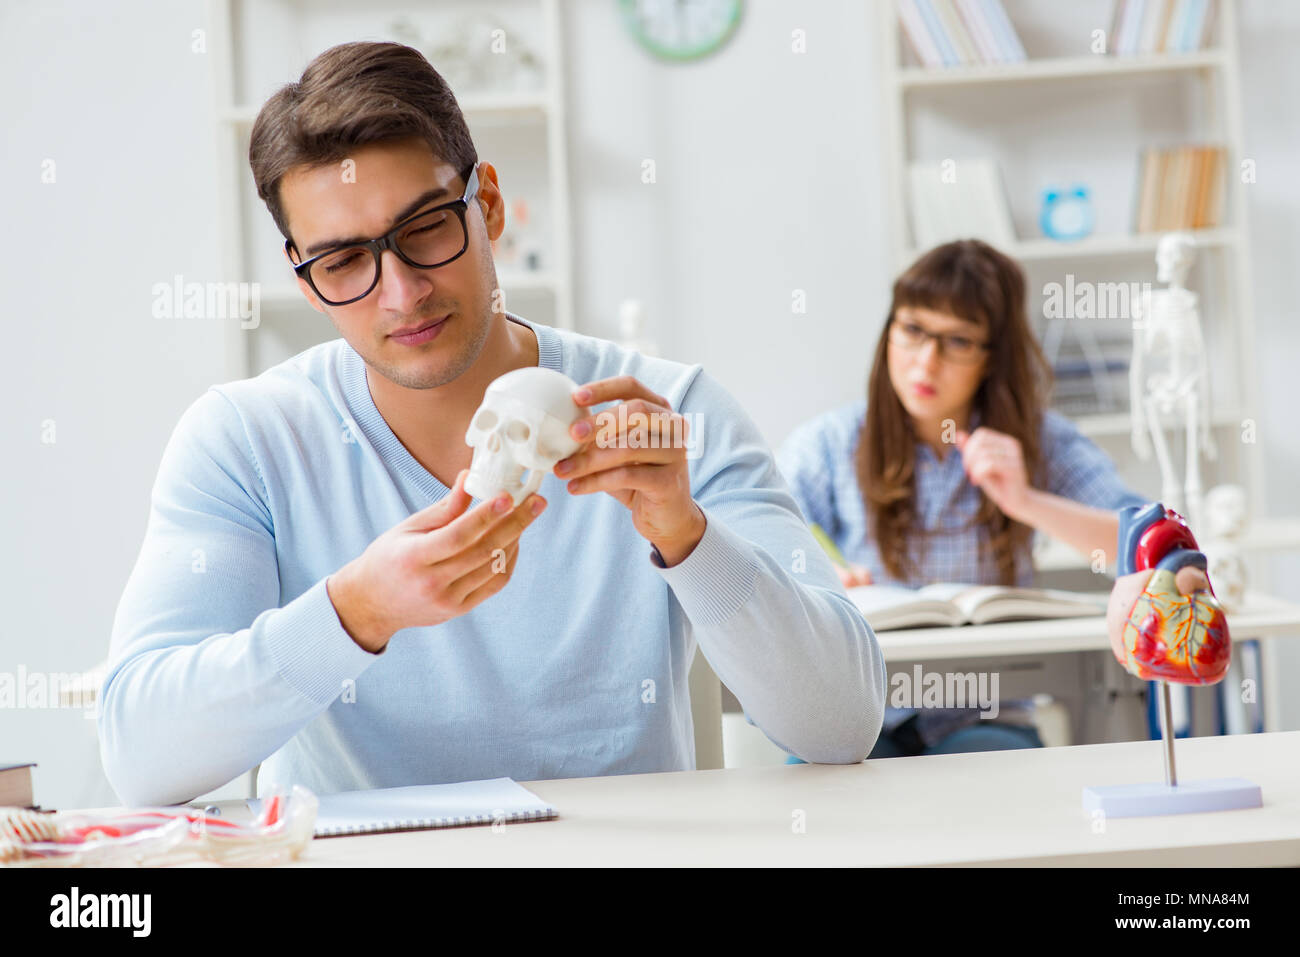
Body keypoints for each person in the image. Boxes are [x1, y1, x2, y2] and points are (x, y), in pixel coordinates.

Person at [98, 42, 885, 806]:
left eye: (427, 228)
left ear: (491, 205)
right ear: (305, 282)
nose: (401, 293)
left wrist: (688, 536)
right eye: (343, 263)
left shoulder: (666, 413)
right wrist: (355, 612)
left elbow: (841, 722)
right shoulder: (246, 440)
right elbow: (142, 758)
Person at [777, 239, 1146, 759]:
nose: (925, 363)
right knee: (822, 778)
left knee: (983, 772)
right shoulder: (832, 441)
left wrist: (1026, 501)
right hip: (859, 708)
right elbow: (757, 540)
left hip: (985, 713)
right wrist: (814, 573)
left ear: (992, 359)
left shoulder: (1041, 441)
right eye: (913, 330)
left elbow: (1145, 552)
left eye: (958, 342)